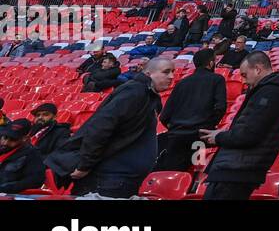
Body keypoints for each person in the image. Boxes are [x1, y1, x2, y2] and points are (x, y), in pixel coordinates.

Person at [59, 57, 175, 198]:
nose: (171, 76)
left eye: (173, 72)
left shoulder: (147, 95)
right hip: (110, 178)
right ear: (149, 73)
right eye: (166, 72)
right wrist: (85, 164)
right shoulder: (135, 92)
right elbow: (100, 127)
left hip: (122, 179)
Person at [200, 51, 279, 200]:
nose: (243, 81)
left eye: (245, 75)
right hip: (239, 167)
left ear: (257, 69)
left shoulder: (271, 92)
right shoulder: (268, 90)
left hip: (239, 169)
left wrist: (219, 137)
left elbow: (249, 134)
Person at [157, 48, 227, 172]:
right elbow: (220, 108)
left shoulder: (182, 83)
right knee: (196, 170)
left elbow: (164, 116)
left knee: (173, 175)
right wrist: (208, 125)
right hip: (199, 138)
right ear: (211, 63)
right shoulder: (217, 79)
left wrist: (175, 128)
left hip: (176, 138)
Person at [0, 120, 45, 194]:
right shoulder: (2, 149)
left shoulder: (32, 155)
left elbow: (35, 180)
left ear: (24, 138)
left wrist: (6, 188)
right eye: (5, 137)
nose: (5, 142)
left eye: (13, 139)